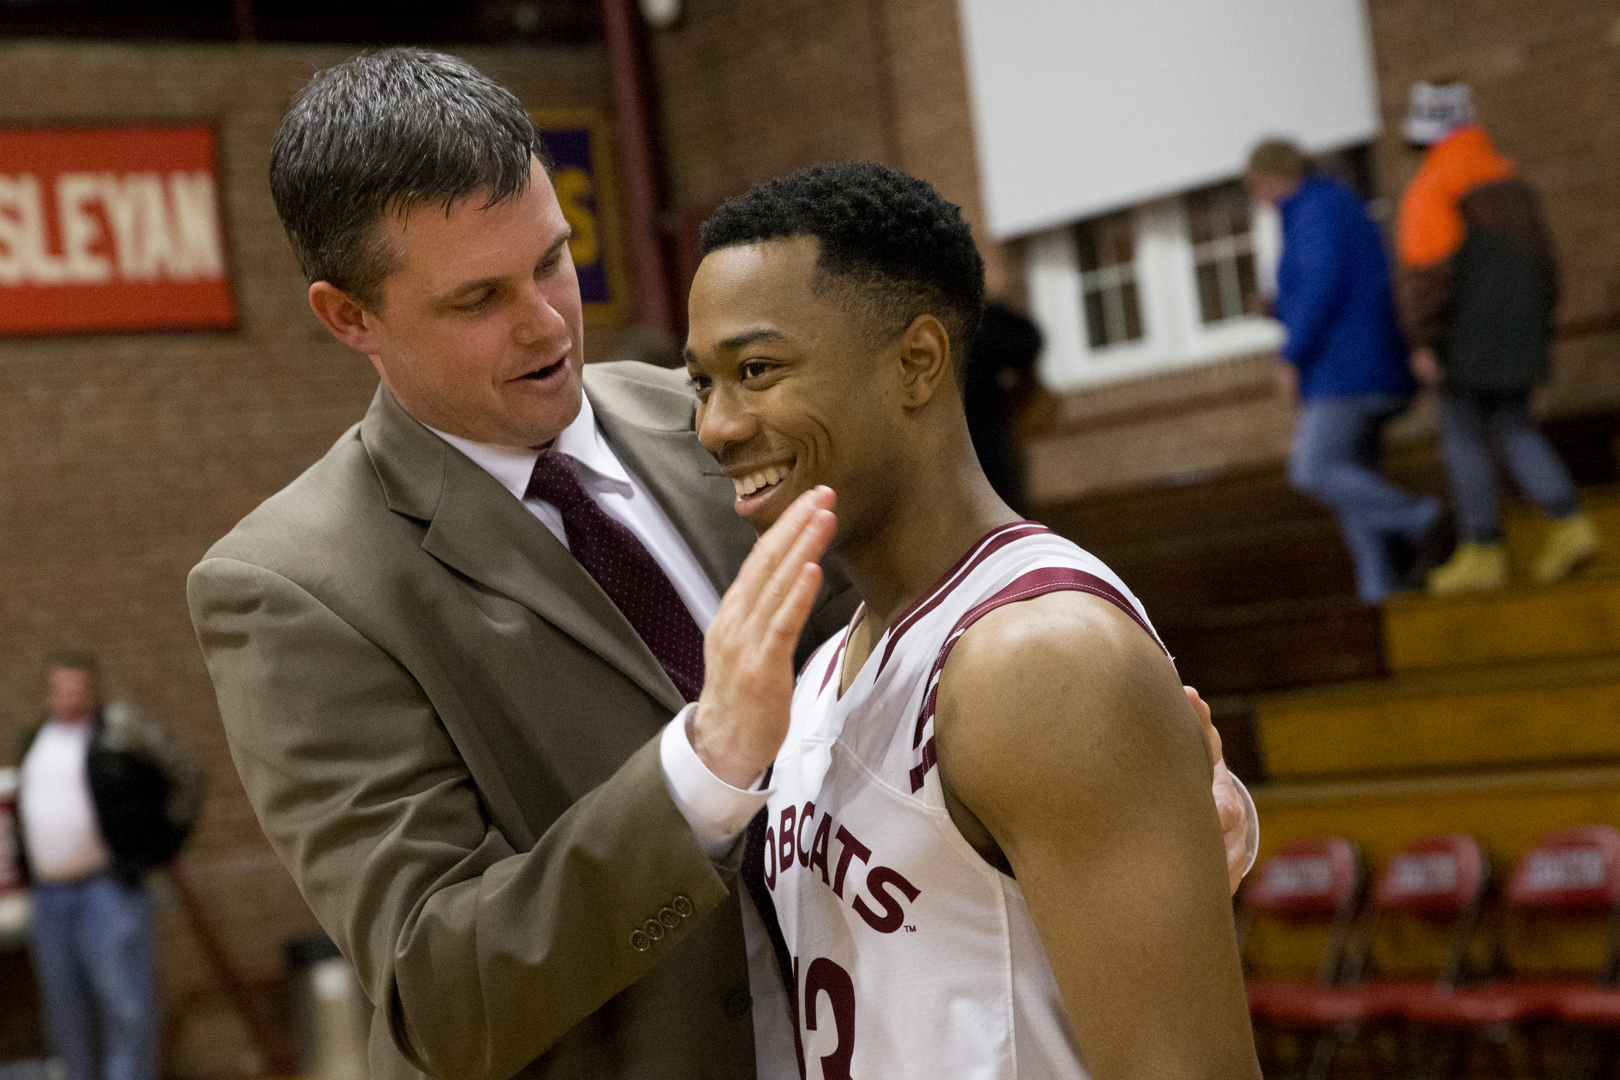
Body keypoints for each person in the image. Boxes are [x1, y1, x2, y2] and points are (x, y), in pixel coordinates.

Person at [187, 49, 1256, 1080]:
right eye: (479, 300)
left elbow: (927, 692)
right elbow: (441, 1000)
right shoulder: (293, 589)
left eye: (553, 259)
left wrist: (1158, 808)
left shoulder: (730, 418)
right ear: (349, 317)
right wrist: (699, 773)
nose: (546, 321)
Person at [683, 162, 1261, 1079]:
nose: (717, 425)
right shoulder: (826, 669)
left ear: (916, 362)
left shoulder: (1042, 659)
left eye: (756, 371)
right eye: (702, 384)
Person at [1396, 81, 1598, 594]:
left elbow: (1429, 274)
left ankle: (1482, 550)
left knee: (1464, 435)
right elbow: (1547, 269)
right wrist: (1535, 329)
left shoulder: (1432, 187)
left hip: (1464, 337)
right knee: (1514, 426)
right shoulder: (1510, 181)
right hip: (1520, 333)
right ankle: (1570, 522)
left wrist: (1423, 341)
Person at [1245, 139, 1441, 604]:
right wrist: (1279, 308)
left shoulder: (1314, 211)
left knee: (1313, 468)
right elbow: (1338, 284)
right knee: (1353, 483)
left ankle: (1422, 519)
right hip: (1362, 359)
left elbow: (1322, 288)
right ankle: (1382, 591)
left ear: (1268, 179)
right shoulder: (1331, 205)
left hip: (1347, 370)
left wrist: (1292, 357)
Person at [15, 653, 200, 1080]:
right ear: (49, 694)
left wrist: (160, 847)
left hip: (105, 888)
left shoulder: (118, 735)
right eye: (61, 690)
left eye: (78, 690)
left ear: (93, 692)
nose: (69, 698)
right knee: (65, 1007)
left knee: (124, 1002)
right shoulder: (35, 740)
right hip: (49, 894)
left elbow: (184, 776)